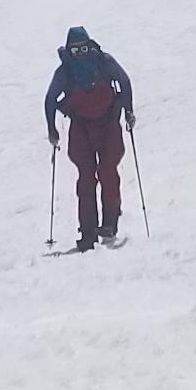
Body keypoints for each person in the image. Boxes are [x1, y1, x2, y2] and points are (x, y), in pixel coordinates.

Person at [43, 26, 136, 249]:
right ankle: (103, 225)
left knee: (93, 175)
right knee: (104, 172)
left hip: (87, 126)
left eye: (82, 48)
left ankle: (93, 230)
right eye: (76, 50)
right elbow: (124, 82)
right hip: (102, 124)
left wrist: (52, 130)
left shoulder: (68, 70)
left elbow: (50, 100)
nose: (80, 53)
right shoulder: (103, 61)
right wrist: (128, 111)